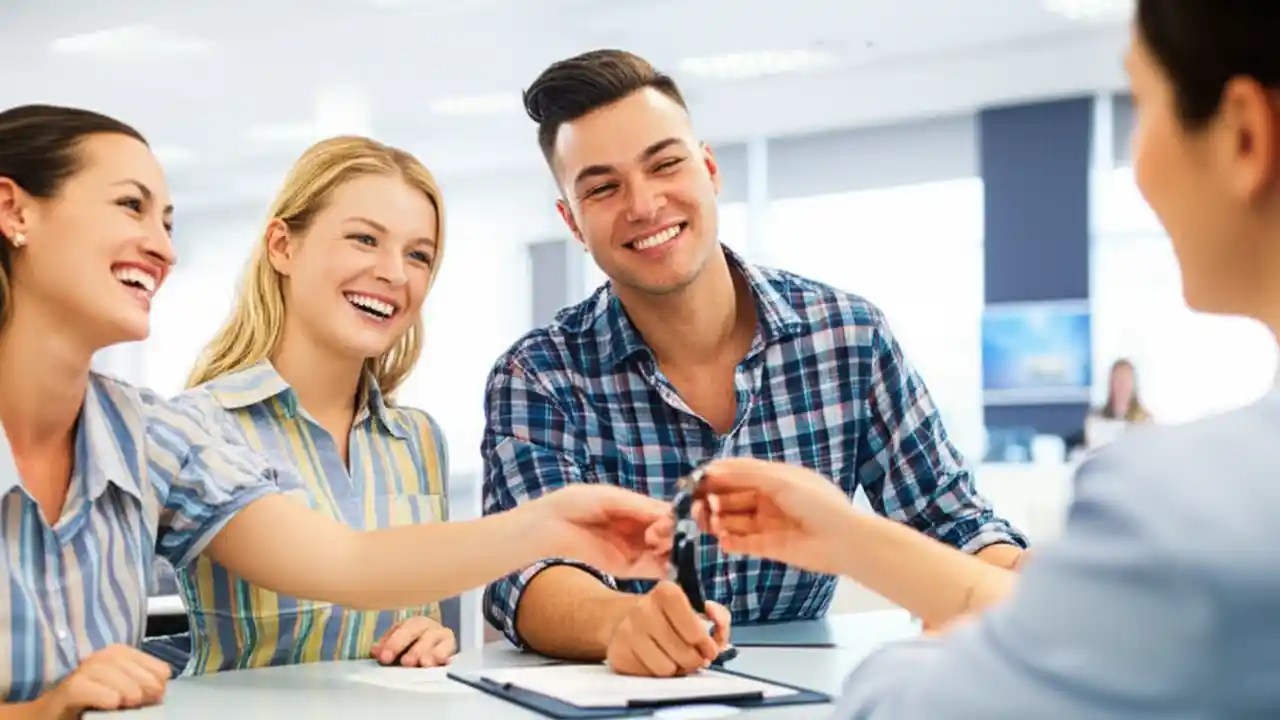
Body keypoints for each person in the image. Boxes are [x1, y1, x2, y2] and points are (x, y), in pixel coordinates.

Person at [694, 3, 1280, 716]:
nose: (1141, 166)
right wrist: (849, 537)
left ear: (1245, 136)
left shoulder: (1185, 510)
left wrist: (943, 649)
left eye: (1143, 104)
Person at [0, 104, 672, 717]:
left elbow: (348, 563)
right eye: (130, 206)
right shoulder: (199, 421)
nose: (164, 248)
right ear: (14, 211)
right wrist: (41, 711)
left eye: (418, 256)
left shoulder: (144, 436)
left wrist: (549, 524)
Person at [480, 49, 1027, 679]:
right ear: (573, 222)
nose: (644, 203)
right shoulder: (539, 375)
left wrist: (1023, 581)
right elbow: (531, 572)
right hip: (623, 694)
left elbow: (953, 525)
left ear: (708, 168)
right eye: (603, 187)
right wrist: (622, 622)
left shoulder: (847, 337)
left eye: (665, 164)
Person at [154, 136, 455, 676]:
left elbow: (416, 618)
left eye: (418, 255)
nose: (395, 273)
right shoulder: (198, 427)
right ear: (282, 247)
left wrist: (428, 636)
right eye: (365, 239)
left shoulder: (420, 440)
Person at [1084, 358, 1152, 450]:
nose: (1122, 385)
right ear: (1111, 383)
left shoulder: (1146, 422)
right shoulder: (1095, 420)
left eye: (1126, 380)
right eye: (1118, 379)